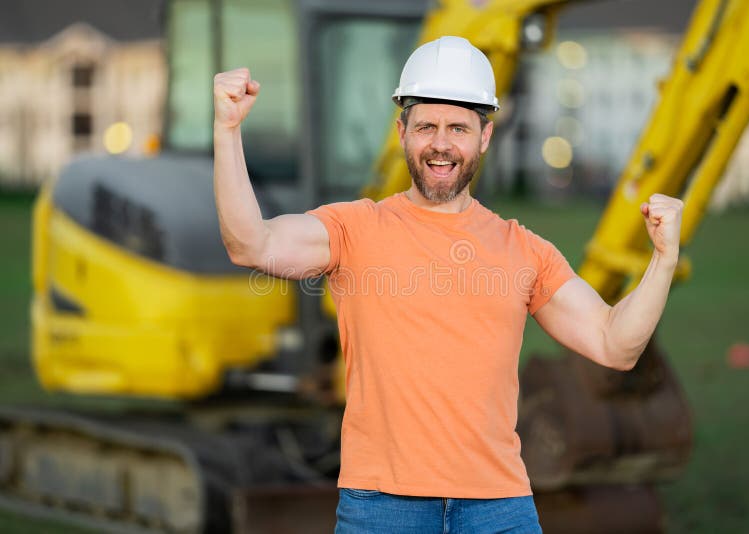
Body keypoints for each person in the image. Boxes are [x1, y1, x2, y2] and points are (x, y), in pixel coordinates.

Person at [213, 36, 683, 534]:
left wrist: (664, 259)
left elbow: (615, 344)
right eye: (426, 127)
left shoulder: (525, 250)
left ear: (485, 136)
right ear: (402, 133)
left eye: (458, 128)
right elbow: (252, 244)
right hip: (382, 508)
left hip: (498, 508)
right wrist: (227, 129)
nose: (441, 144)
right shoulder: (353, 228)